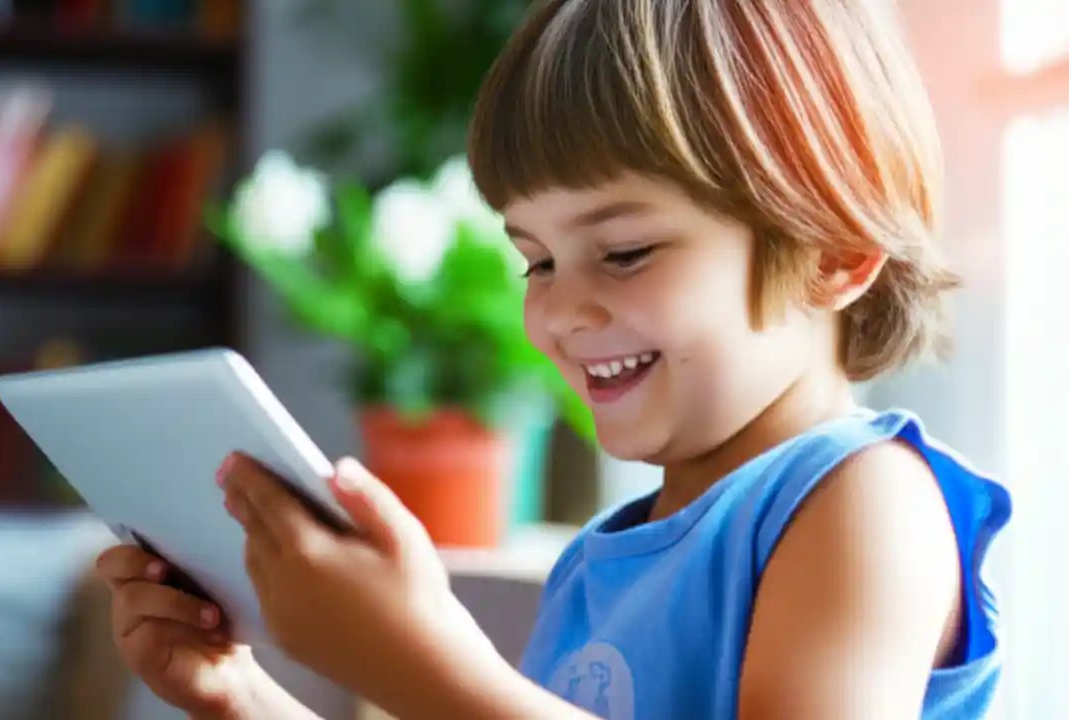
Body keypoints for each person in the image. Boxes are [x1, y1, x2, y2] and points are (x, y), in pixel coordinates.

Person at [95, 0, 1012, 717]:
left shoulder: (862, 504)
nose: (560, 311)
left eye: (624, 252)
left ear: (832, 254)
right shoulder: (609, 555)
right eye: (535, 259)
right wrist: (241, 697)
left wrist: (416, 665)